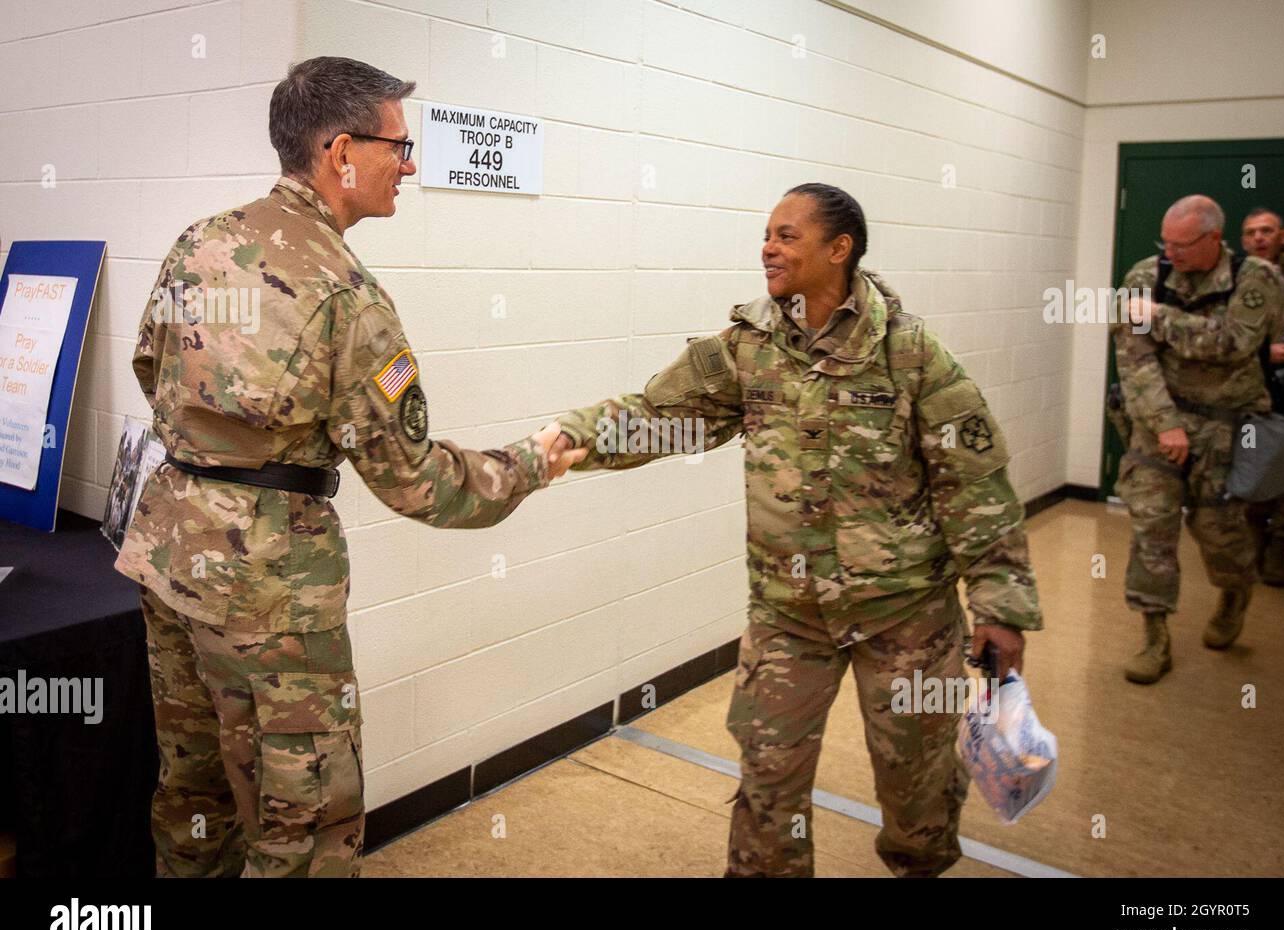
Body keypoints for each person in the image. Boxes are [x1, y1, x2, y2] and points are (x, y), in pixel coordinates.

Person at [114, 56, 586, 877]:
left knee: (195, 794)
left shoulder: (200, 242)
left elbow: (150, 370)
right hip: (272, 592)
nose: (411, 165)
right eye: (399, 146)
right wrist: (529, 466)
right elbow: (417, 483)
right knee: (305, 821)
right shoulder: (346, 295)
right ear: (341, 151)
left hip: (165, 555)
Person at [552, 183, 1042, 877]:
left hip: (904, 615)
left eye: (786, 235)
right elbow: (661, 415)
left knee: (919, 791)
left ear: (838, 249)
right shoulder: (748, 347)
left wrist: (999, 605)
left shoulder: (910, 353)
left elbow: (975, 483)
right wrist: (567, 440)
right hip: (790, 616)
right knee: (767, 785)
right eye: (767, 234)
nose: (768, 247)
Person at [1112, 195, 1284, 684]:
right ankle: (1154, 635)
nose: (1172, 253)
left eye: (1183, 244)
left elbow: (1234, 343)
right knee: (1152, 525)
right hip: (1158, 418)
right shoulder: (1147, 275)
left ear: (1213, 238)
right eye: (1165, 242)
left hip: (1228, 426)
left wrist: (1160, 318)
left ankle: (1234, 594)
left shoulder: (1256, 278)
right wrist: (1165, 422)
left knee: (1218, 531)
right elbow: (1135, 358)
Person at [1240, 207, 1284, 586]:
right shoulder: (1233, 278)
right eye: (1251, 233)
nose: (1259, 238)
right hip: (1250, 388)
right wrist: (1264, 352)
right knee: (1253, 467)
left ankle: (1280, 544)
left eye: (1266, 231)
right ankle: (1255, 538)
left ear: (1283, 236)